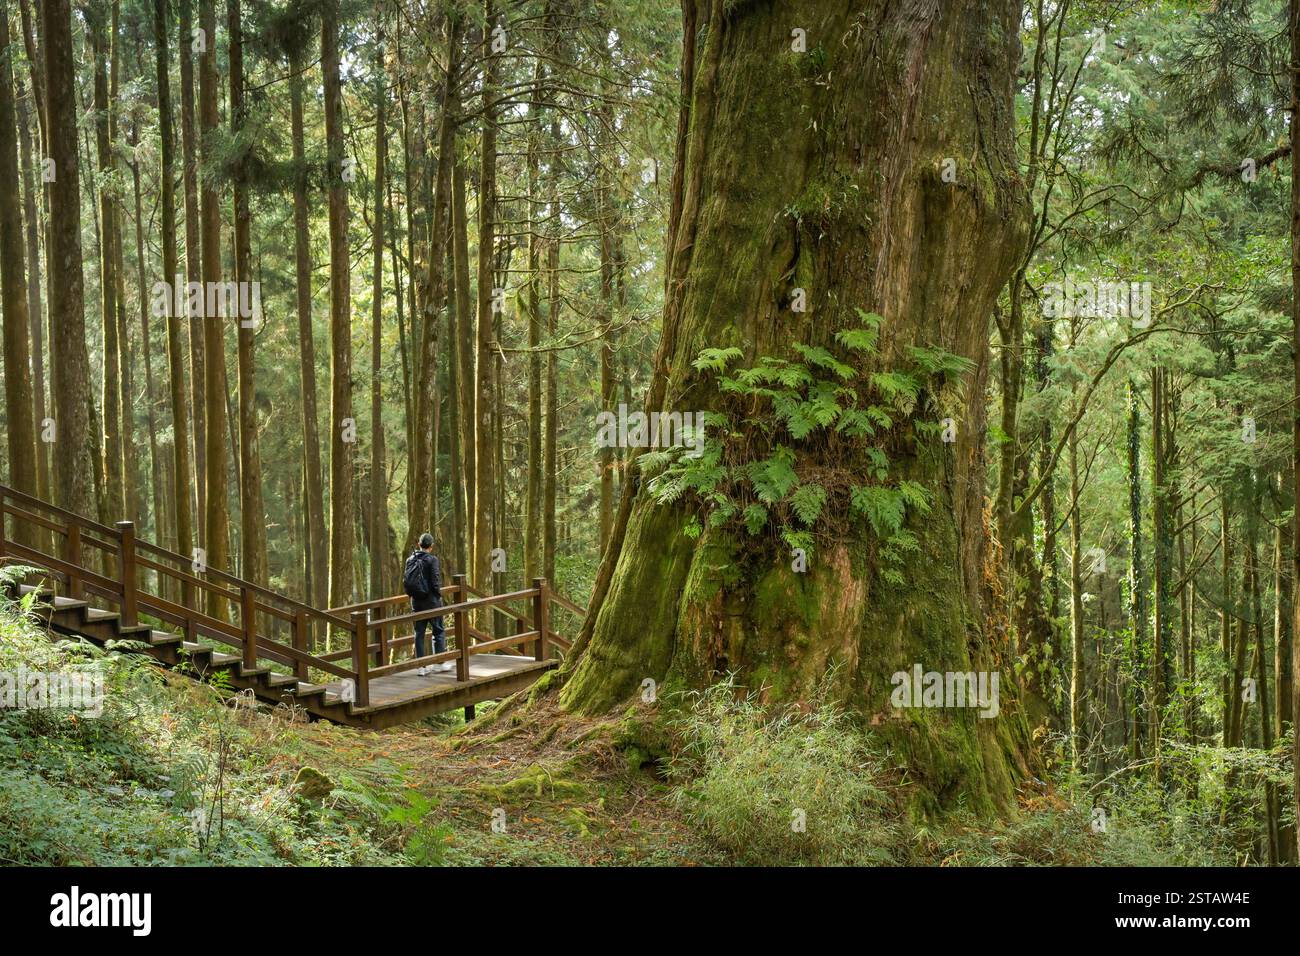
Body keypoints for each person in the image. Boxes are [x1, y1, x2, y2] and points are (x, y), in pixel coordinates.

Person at [403, 533, 451, 675]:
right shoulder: (432, 560)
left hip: (416, 602)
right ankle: (439, 663)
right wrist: (438, 595)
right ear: (431, 546)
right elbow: (435, 581)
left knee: (419, 633)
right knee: (438, 631)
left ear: (419, 544)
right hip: (431, 602)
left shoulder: (410, 559)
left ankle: (421, 667)